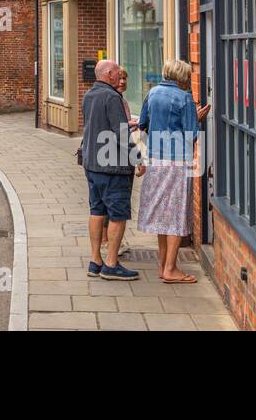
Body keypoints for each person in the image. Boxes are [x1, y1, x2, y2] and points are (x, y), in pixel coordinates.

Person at [135, 59, 209, 283]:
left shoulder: (153, 93)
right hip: (177, 161)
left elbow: (143, 123)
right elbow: (191, 133)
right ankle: (171, 269)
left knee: (162, 213)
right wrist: (197, 118)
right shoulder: (184, 97)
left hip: (156, 158)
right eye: (187, 76)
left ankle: (163, 265)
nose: (188, 80)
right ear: (181, 77)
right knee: (176, 214)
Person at [81, 59, 139, 281]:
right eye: (116, 72)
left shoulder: (89, 95)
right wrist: (137, 159)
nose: (118, 76)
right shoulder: (112, 97)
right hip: (112, 167)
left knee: (97, 211)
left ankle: (95, 261)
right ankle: (112, 264)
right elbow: (121, 134)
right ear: (107, 74)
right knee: (117, 215)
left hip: (92, 164)